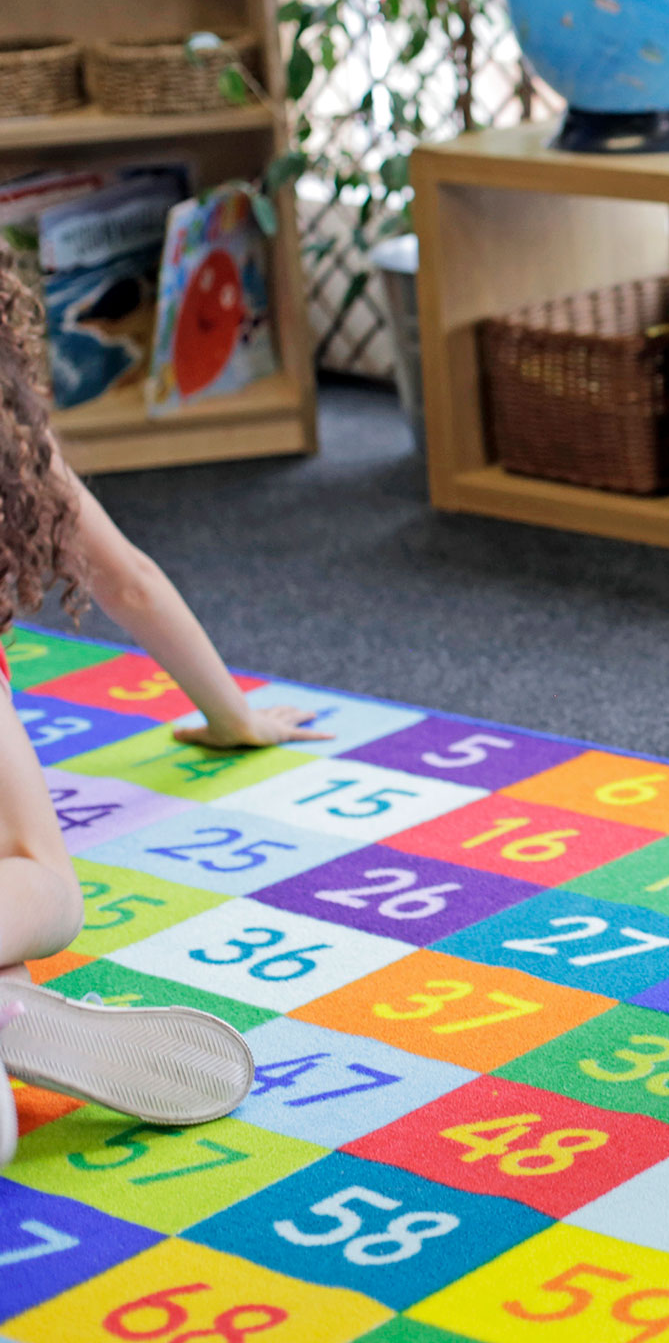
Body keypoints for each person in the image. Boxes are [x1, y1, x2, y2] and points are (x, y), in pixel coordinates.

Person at [0, 260, 328, 1163]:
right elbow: (127, 580)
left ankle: (7, 1009)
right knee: (43, 886)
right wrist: (234, 715)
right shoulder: (9, 442)